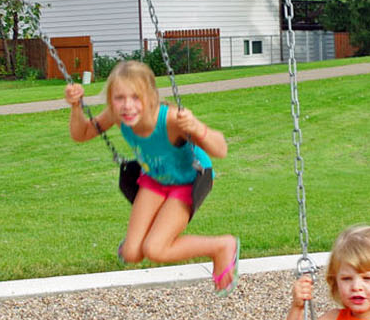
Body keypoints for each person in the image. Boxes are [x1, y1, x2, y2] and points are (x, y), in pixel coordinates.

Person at [64, 59, 239, 293]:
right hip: (154, 179)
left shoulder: (170, 120)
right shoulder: (117, 115)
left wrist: (197, 127)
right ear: (111, 100)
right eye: (119, 98)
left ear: (151, 97)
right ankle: (137, 241)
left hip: (187, 181)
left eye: (136, 97)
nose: (127, 106)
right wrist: (76, 106)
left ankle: (221, 245)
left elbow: (221, 149)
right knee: (132, 253)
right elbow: (82, 133)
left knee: (156, 249)